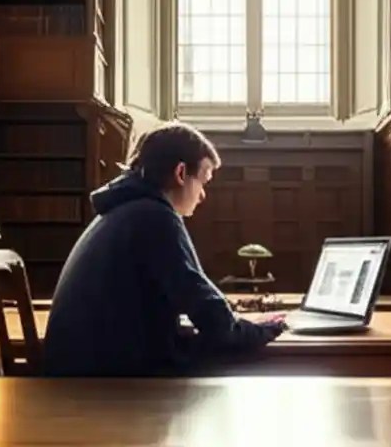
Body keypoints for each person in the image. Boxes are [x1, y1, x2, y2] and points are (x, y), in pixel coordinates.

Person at [43, 121, 287, 377]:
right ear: (181, 173)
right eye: (203, 180)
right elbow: (214, 321)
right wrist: (265, 329)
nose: (203, 195)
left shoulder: (123, 210)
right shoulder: (155, 217)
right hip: (104, 388)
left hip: (83, 374)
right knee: (244, 371)